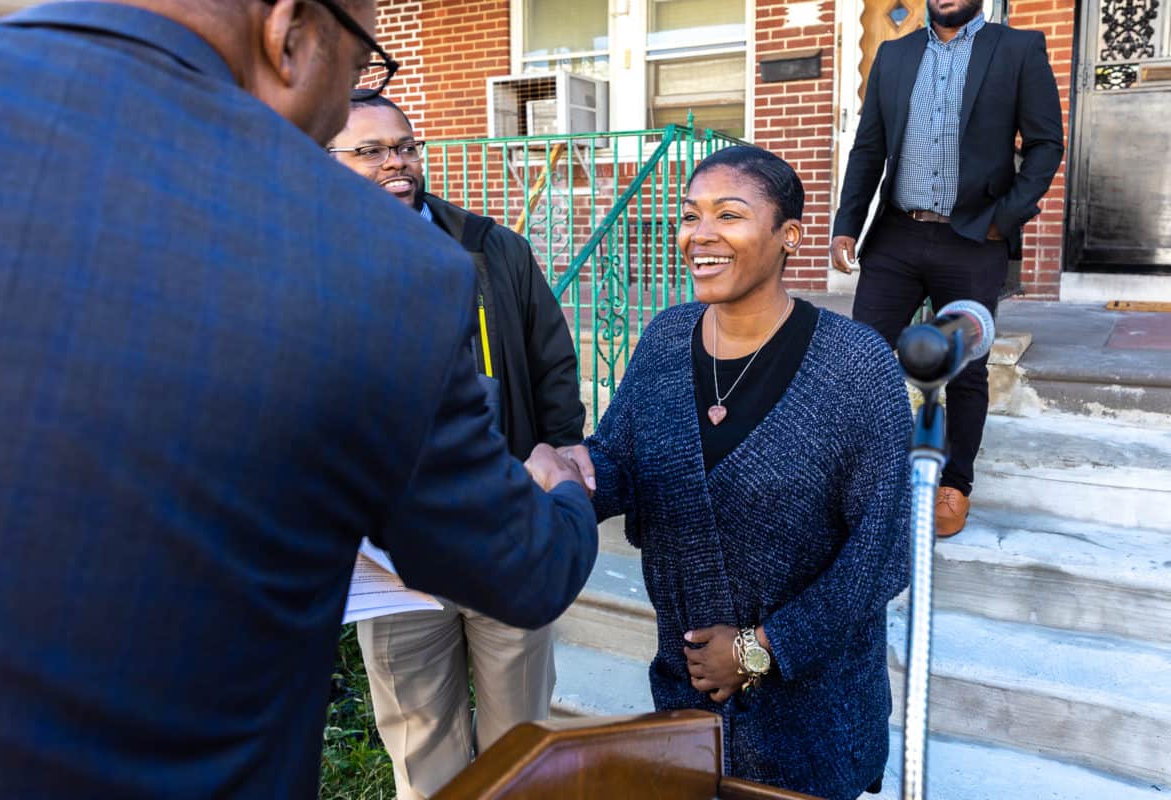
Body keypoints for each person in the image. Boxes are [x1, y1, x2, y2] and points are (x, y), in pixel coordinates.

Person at [0, 2, 597, 798]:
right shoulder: (372, 261)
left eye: (403, 143)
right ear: (292, 31)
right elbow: (525, 567)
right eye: (363, 61)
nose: (351, 108)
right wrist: (568, 486)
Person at [562, 146, 912, 800]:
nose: (700, 235)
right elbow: (620, 460)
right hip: (688, 700)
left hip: (814, 717)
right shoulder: (666, 339)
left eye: (729, 214)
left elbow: (882, 553)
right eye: (690, 216)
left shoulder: (856, 367)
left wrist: (760, 649)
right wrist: (570, 475)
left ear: (788, 237)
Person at [327, 91, 585, 800]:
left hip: (503, 530)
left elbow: (551, 359)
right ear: (326, 160)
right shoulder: (312, 260)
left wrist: (561, 447)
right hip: (390, 564)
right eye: (370, 150)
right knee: (423, 746)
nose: (397, 162)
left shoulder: (489, 246)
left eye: (406, 147)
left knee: (519, 748)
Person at [830, 0, 1064, 536]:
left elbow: (1047, 143)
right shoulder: (893, 55)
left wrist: (1003, 220)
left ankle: (954, 483)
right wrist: (847, 223)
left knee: (964, 366)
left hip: (974, 236)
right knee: (859, 359)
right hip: (897, 233)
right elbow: (868, 149)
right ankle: (864, 475)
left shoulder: (1018, 49)